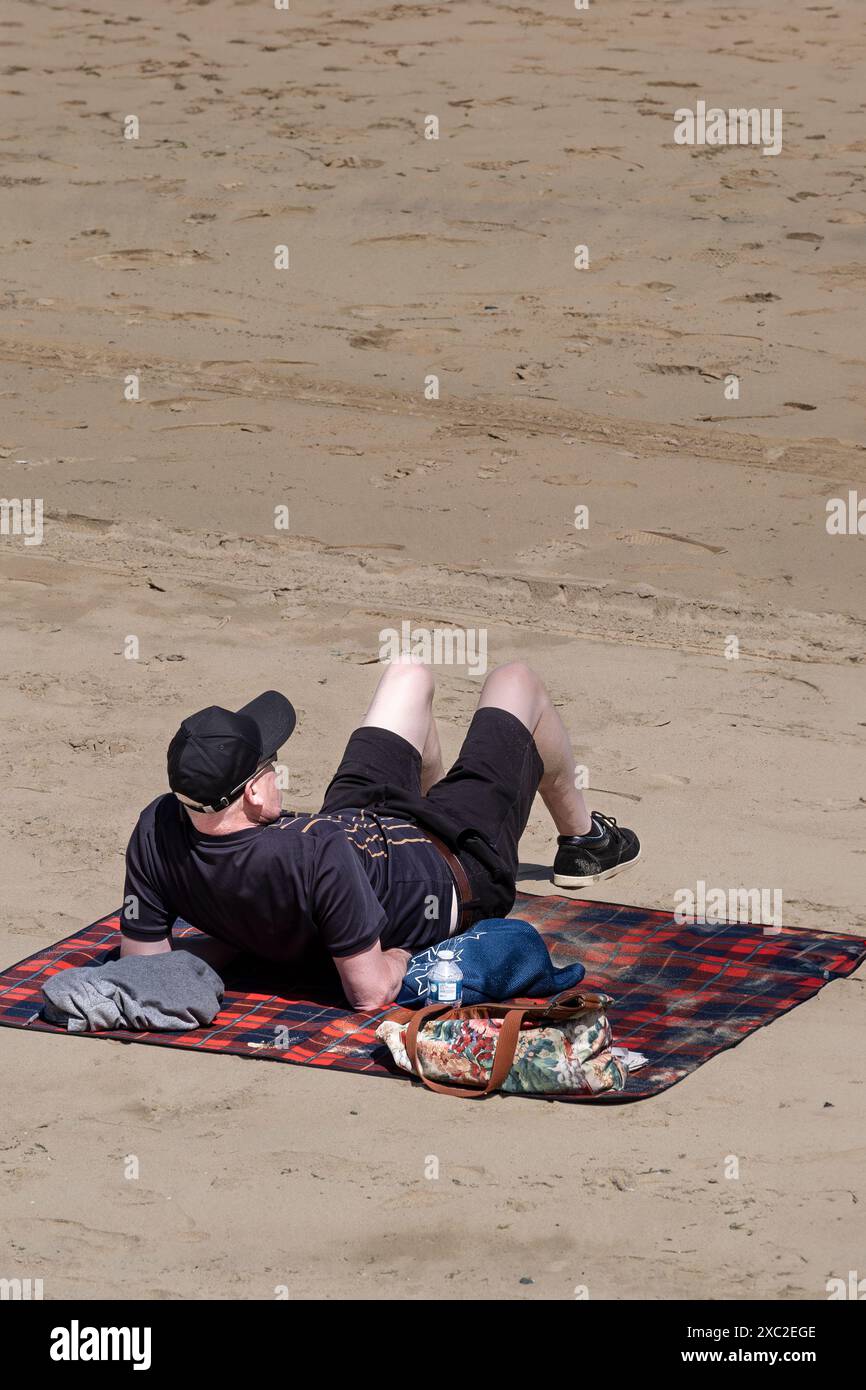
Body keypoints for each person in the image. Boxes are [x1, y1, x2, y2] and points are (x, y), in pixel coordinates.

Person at [120, 661, 640, 1009]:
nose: (278, 770)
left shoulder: (158, 826)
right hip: (456, 867)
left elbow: (147, 967)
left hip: (353, 821)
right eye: (271, 764)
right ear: (254, 793)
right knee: (516, 681)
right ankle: (584, 840)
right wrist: (399, 957)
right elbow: (370, 992)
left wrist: (242, 946)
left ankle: (441, 798)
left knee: (407, 675)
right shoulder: (311, 853)